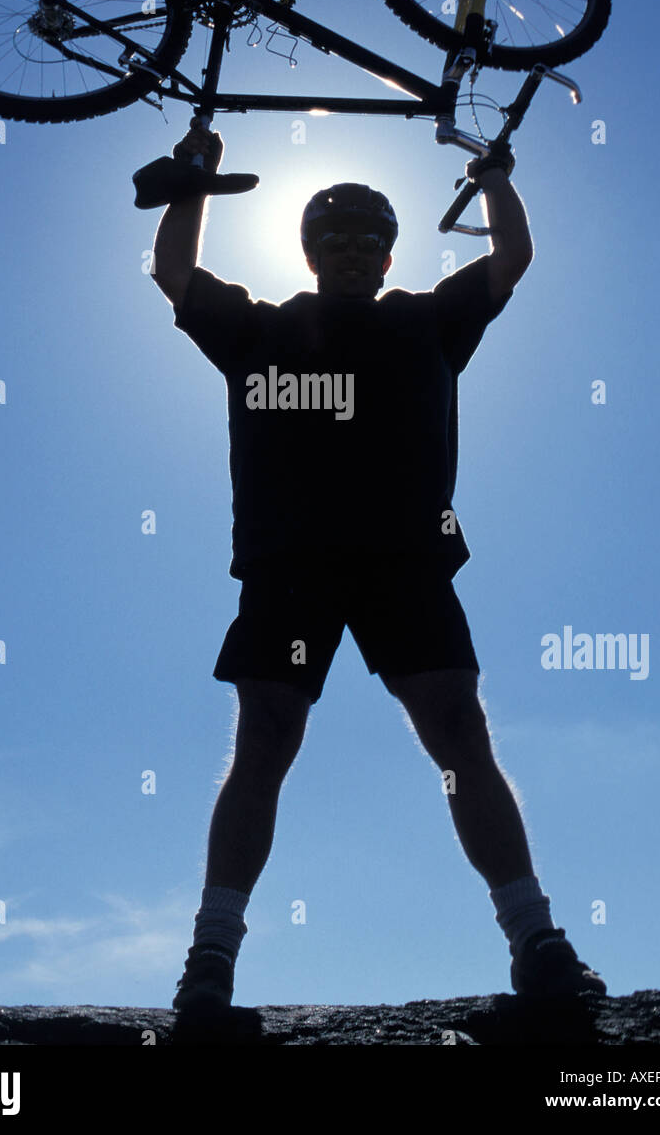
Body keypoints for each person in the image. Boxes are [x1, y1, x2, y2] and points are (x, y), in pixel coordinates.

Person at [151, 118, 606, 1018]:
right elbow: (171, 275)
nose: (352, 252)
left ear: (389, 256)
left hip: (406, 566)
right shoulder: (261, 329)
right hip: (290, 570)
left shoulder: (429, 320)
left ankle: (535, 940)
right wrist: (194, 180)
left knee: (460, 740)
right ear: (311, 252)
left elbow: (511, 255)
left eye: (368, 241)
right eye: (334, 241)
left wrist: (492, 176)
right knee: (264, 747)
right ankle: (210, 959)